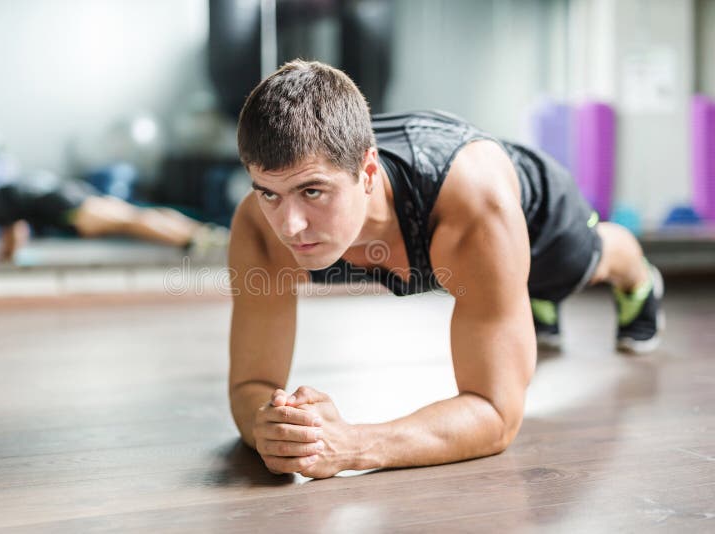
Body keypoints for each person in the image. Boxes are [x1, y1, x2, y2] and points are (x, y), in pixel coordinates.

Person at [227, 60, 664, 479]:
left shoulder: (476, 209)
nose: (290, 225)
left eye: (312, 191)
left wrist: (350, 445)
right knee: (504, 297)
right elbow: (252, 384)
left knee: (584, 265)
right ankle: (521, 301)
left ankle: (637, 277)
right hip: (461, 252)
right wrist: (277, 429)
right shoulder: (261, 225)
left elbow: (496, 414)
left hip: (535, 221)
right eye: (269, 194)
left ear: (367, 173)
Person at [0, 175, 227, 264]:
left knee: (130, 221)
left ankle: (192, 238)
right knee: (135, 213)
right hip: (64, 192)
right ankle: (202, 231)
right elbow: (13, 243)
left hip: (61, 204)